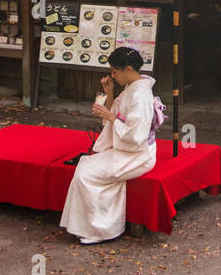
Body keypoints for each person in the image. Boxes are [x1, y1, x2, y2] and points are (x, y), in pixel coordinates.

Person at [60, 47, 161, 244]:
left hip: (138, 154)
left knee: (87, 174)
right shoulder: (133, 87)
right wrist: (109, 93)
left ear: (129, 69)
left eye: (115, 71)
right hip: (127, 149)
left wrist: (110, 116)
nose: (112, 75)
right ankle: (94, 225)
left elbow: (135, 135)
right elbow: (115, 116)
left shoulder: (140, 95)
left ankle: (102, 229)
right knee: (84, 166)